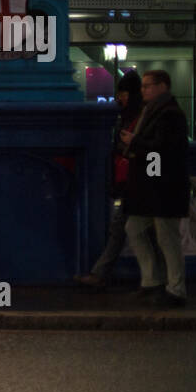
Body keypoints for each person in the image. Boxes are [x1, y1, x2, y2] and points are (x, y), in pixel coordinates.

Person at [119, 69, 189, 307]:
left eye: (148, 85)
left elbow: (162, 148)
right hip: (156, 186)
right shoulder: (158, 111)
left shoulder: (169, 114)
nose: (144, 90)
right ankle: (155, 281)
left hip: (162, 186)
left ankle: (174, 288)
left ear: (163, 86)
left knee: (165, 237)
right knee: (139, 229)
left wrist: (133, 142)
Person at [76, 70, 143, 288]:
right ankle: (158, 281)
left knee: (122, 229)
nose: (120, 97)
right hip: (134, 183)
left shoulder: (136, 117)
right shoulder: (131, 115)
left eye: (124, 92)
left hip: (135, 182)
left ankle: (100, 275)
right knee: (137, 232)